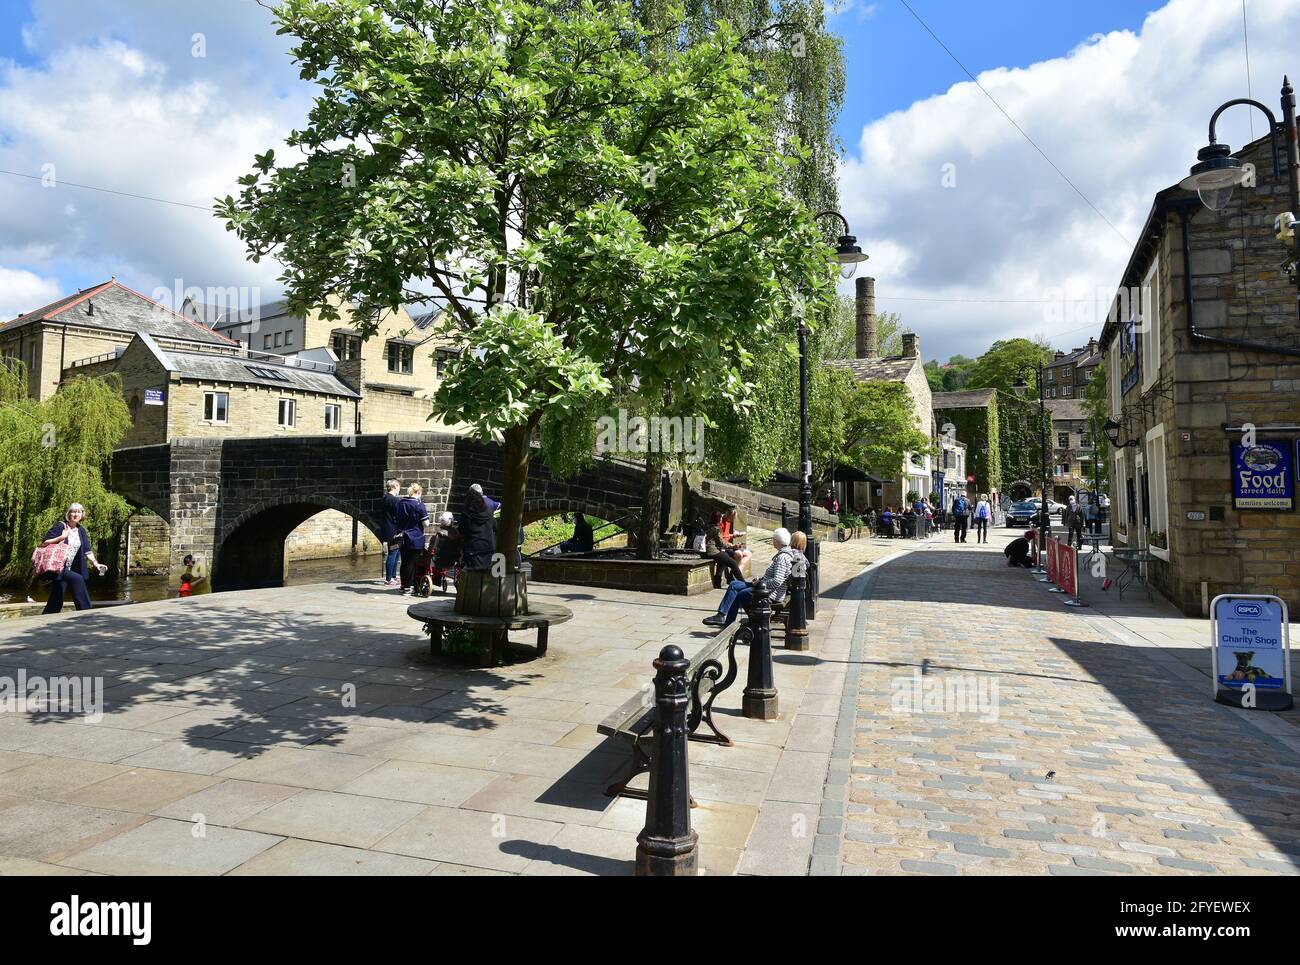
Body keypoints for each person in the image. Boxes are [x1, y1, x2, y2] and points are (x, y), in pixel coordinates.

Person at [703, 528, 798, 628]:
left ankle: (734, 623)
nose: (773, 541)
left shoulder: (782, 558)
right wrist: (760, 580)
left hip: (770, 593)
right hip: (765, 588)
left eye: (773, 539)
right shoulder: (783, 554)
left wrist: (759, 584)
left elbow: (777, 581)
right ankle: (721, 615)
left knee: (741, 594)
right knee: (734, 585)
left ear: (777, 541)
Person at [40, 503, 107, 613]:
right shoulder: (60, 526)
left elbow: (87, 550)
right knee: (77, 579)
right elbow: (45, 542)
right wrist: (62, 537)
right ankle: (86, 612)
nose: (76, 514)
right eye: (73, 511)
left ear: (82, 514)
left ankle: (48, 614)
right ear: (68, 514)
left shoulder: (81, 530)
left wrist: (96, 563)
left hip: (71, 567)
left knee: (58, 593)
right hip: (58, 566)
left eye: (79, 512)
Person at [395, 483, 430, 593]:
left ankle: (403, 585)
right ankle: (409, 587)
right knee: (413, 563)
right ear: (418, 492)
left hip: (402, 536)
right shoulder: (419, 505)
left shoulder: (400, 503)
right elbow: (426, 524)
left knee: (404, 562)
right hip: (415, 537)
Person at [460, 483, 499, 571]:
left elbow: (462, 530)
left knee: (473, 575)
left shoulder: (466, 513)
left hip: (473, 549)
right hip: (488, 547)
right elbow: (495, 527)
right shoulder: (489, 512)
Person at [704, 510, 745, 582]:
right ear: (717, 519)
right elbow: (721, 544)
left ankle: (718, 580)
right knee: (733, 563)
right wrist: (733, 546)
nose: (721, 520)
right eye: (720, 518)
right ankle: (743, 583)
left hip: (712, 550)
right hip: (713, 552)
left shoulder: (709, 526)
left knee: (725, 556)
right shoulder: (716, 529)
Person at [380, 478, 402, 586]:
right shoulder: (394, 500)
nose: (399, 489)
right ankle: (389, 579)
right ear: (394, 487)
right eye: (398, 487)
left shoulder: (384, 498)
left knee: (396, 552)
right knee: (393, 553)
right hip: (393, 531)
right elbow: (398, 515)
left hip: (387, 530)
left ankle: (393, 576)